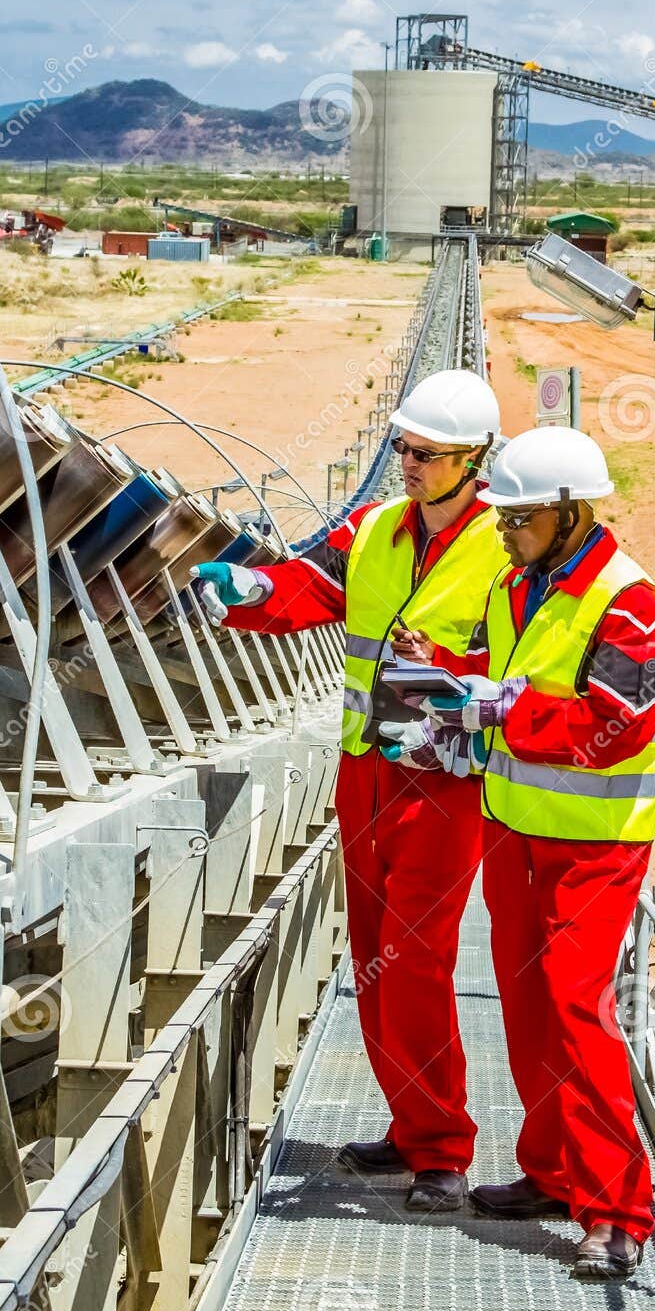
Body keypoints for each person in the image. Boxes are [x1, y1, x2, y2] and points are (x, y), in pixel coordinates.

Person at [191, 369, 508, 1215]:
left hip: (442, 776)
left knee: (415, 961)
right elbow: (309, 585)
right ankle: (408, 1125)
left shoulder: (507, 546)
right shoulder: (371, 529)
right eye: (403, 448)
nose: (407, 463)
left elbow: (531, 660)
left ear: (473, 460)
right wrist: (251, 591)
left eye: (426, 454)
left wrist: (452, 667)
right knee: (371, 959)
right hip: (367, 767)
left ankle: (441, 1148)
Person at [391, 425, 655, 1280]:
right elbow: (501, 668)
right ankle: (553, 1172)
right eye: (501, 517)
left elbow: (611, 728)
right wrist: (442, 671)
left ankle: (616, 1211)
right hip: (513, 827)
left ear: (569, 512)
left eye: (518, 518)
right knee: (526, 1009)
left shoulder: (634, 607)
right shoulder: (518, 583)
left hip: (593, 845)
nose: (503, 530)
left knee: (575, 1008)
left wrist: (494, 711)